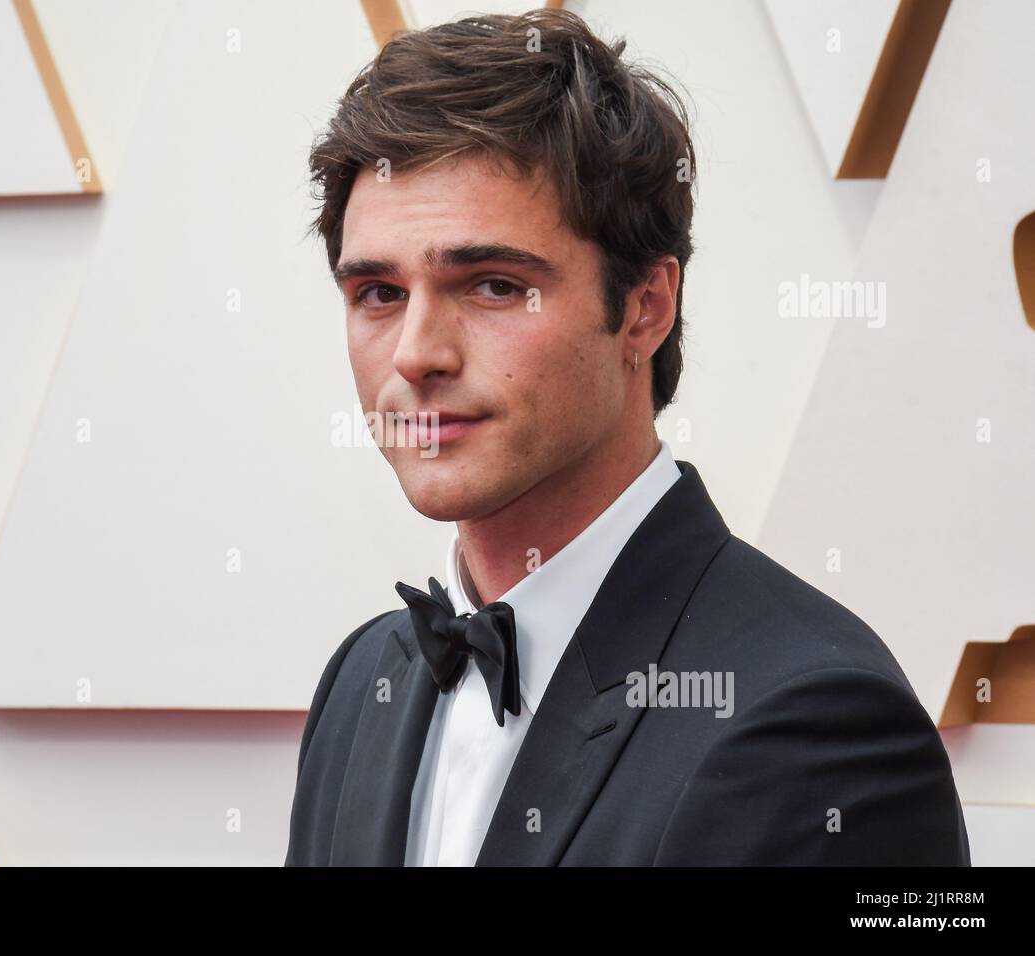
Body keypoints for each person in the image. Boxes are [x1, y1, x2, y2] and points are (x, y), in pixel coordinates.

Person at [284, 9, 969, 866]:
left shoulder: (819, 720)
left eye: (494, 286)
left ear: (645, 306)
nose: (417, 354)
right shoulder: (361, 686)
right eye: (378, 293)